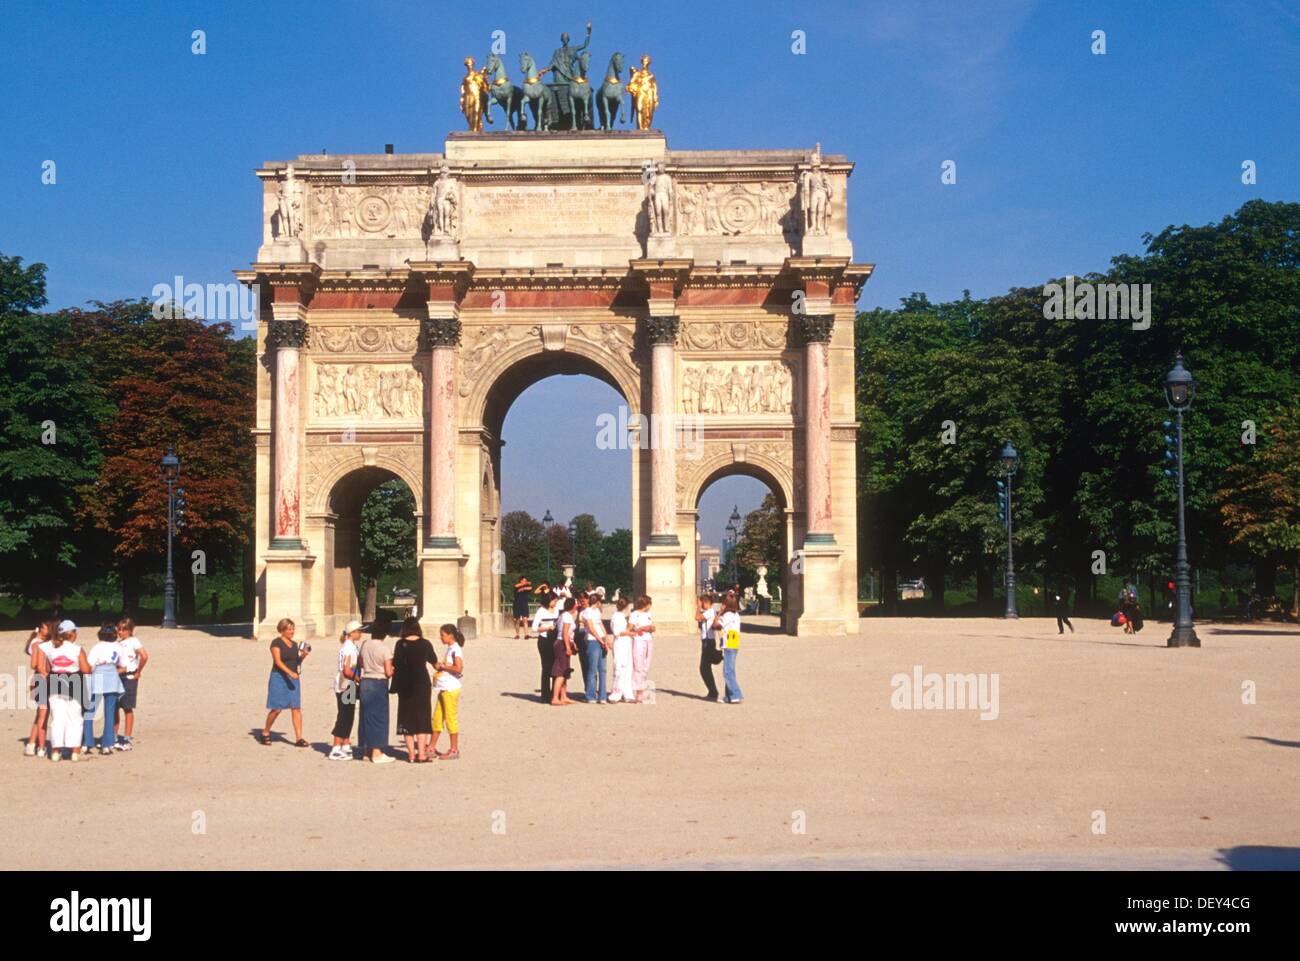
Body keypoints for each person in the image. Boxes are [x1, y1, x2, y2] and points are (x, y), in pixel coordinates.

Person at [41, 620, 90, 762]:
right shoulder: (77, 649)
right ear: (72, 634)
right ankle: (75, 751)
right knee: (75, 717)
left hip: (55, 682)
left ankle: (56, 751)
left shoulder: (51, 649)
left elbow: (47, 669)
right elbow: (86, 669)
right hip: (74, 682)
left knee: (57, 718)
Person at [391, 616, 437, 763]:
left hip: (405, 683)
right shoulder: (425, 644)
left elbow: (396, 664)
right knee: (422, 718)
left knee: (407, 718)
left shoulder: (400, 644)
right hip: (421, 683)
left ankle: (411, 754)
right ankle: (422, 754)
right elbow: (434, 662)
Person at [261, 618, 310, 747]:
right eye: (289, 629)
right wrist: (290, 673)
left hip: (293, 678)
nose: (291, 631)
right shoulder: (276, 643)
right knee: (277, 709)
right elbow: (278, 662)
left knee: (296, 708)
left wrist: (303, 656)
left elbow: (296, 662)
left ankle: (299, 738)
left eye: (292, 629)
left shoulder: (294, 645)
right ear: (282, 630)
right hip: (279, 677)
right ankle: (265, 732)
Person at [83, 623, 125, 756]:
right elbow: (123, 665)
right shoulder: (119, 647)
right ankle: (106, 745)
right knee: (110, 712)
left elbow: (89, 664)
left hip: (99, 674)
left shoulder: (97, 647)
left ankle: (87, 742)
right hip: (112, 674)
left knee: (90, 710)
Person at [357, 618, 395, 763]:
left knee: (366, 716)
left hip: (366, 680)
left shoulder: (365, 644)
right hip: (379, 681)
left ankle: (366, 751)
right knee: (379, 717)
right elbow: (388, 672)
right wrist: (394, 670)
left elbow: (360, 663)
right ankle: (377, 752)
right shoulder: (384, 648)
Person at [329, 620, 364, 760]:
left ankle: (345, 744)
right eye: (359, 631)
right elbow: (347, 670)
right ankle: (336, 746)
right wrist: (359, 680)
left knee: (348, 714)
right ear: (352, 633)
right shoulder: (349, 648)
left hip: (347, 685)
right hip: (347, 685)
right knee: (344, 715)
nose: (361, 633)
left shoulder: (350, 646)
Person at [113, 618, 147, 751]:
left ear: (130, 630)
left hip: (129, 677)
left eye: (124, 629)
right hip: (116, 676)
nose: (121, 632)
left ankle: (127, 737)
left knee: (127, 707)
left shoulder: (134, 641)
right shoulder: (116, 642)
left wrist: (138, 670)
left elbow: (144, 656)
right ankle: (114, 736)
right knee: (114, 707)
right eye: (119, 629)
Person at [431, 624, 465, 760]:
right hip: (444, 687)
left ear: (450, 635)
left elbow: (458, 668)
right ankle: (431, 746)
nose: (441, 637)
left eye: (442, 635)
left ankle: (454, 749)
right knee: (437, 717)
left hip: (450, 688)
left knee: (450, 718)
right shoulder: (451, 648)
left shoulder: (456, 649)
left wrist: (443, 666)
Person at [23, 617, 55, 757]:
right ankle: (40, 747)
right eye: (44, 627)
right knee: (43, 714)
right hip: (43, 679)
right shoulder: (39, 644)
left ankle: (31, 743)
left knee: (40, 714)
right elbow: (35, 664)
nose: (46, 630)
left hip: (38, 679)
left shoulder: (38, 643)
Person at [713, 594, 744, 704]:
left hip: (728, 644)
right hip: (734, 643)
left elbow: (715, 625)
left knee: (727, 672)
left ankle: (736, 694)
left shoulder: (727, 616)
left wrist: (719, 613)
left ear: (725, 604)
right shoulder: (736, 615)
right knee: (730, 670)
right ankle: (729, 696)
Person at [580, 593, 609, 703]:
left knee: (603, 669)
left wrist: (606, 637)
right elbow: (591, 628)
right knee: (592, 669)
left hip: (601, 638)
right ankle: (591, 695)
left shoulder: (597, 611)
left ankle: (602, 696)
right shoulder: (586, 612)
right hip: (593, 640)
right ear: (597, 602)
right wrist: (600, 640)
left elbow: (600, 624)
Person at [531, 592, 560, 703]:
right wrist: (547, 628)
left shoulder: (556, 610)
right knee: (546, 667)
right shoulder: (541, 611)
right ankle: (545, 695)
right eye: (554, 601)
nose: (556, 602)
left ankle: (554, 694)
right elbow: (534, 628)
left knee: (555, 667)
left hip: (555, 639)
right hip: (545, 640)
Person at [629, 595, 656, 703]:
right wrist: (637, 631)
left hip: (648, 639)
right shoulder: (634, 615)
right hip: (639, 640)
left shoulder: (649, 614)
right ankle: (638, 692)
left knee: (646, 665)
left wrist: (646, 628)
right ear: (647, 604)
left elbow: (653, 627)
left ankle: (643, 688)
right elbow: (629, 628)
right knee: (638, 665)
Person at [607, 597, 634, 703]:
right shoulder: (617, 617)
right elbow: (617, 631)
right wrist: (630, 633)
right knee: (619, 668)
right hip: (620, 643)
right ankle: (615, 693)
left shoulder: (622, 616)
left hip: (626, 643)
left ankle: (627, 693)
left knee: (628, 668)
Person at [551, 597, 577, 706]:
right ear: (573, 606)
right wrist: (568, 647)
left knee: (565, 670)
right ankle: (555, 697)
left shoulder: (564, 615)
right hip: (562, 643)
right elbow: (565, 633)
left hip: (563, 642)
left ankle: (563, 696)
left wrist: (573, 643)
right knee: (561, 671)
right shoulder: (567, 616)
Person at [695, 593, 721, 700]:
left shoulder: (710, 611)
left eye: (702, 602)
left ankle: (713, 692)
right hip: (707, 641)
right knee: (706, 668)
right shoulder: (709, 611)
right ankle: (712, 691)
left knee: (704, 668)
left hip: (708, 642)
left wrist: (698, 607)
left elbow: (697, 617)